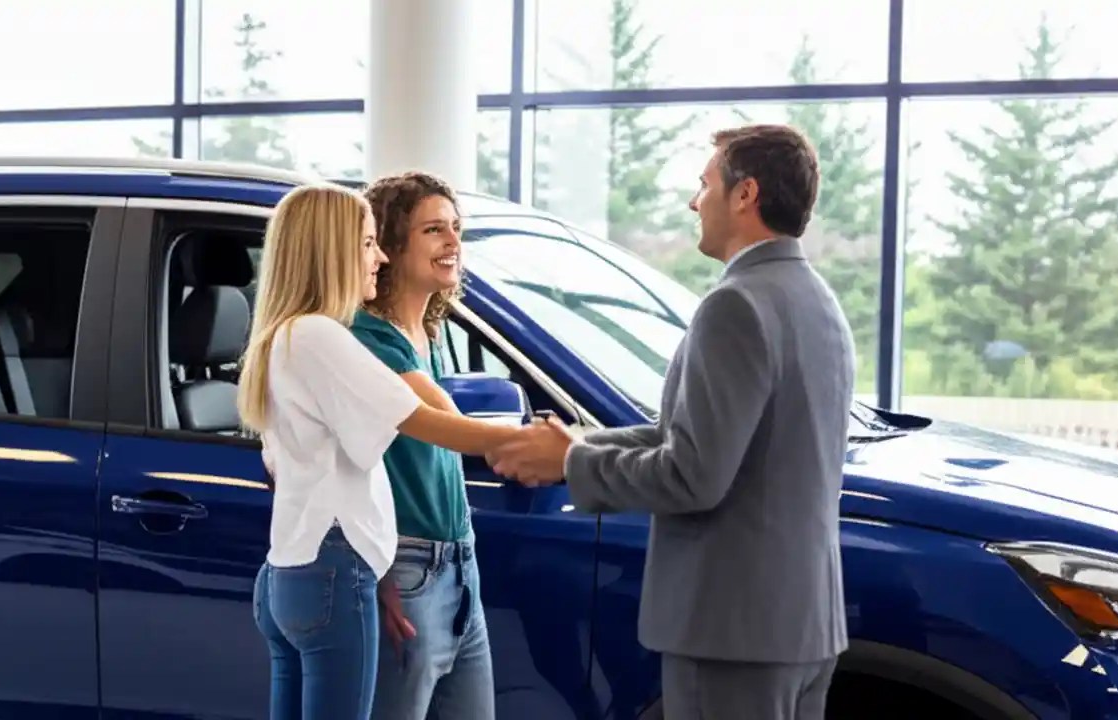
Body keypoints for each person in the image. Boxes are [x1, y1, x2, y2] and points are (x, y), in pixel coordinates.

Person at [488, 124, 855, 720]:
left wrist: (572, 461)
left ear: (746, 194)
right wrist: (576, 443)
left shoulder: (734, 305)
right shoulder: (815, 299)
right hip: (799, 625)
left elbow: (693, 474)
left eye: (705, 183)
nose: (694, 201)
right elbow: (692, 435)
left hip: (731, 632)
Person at [235, 183, 527, 720]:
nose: (380, 257)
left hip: (293, 569)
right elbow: (427, 421)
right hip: (334, 569)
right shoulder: (323, 336)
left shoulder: (285, 337)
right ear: (333, 250)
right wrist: (544, 443)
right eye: (369, 243)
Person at [349, 171, 494, 720]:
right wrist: (556, 447)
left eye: (456, 228)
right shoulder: (367, 337)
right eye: (435, 229)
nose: (454, 242)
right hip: (407, 569)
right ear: (388, 244)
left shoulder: (432, 332)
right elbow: (449, 423)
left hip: (460, 562)